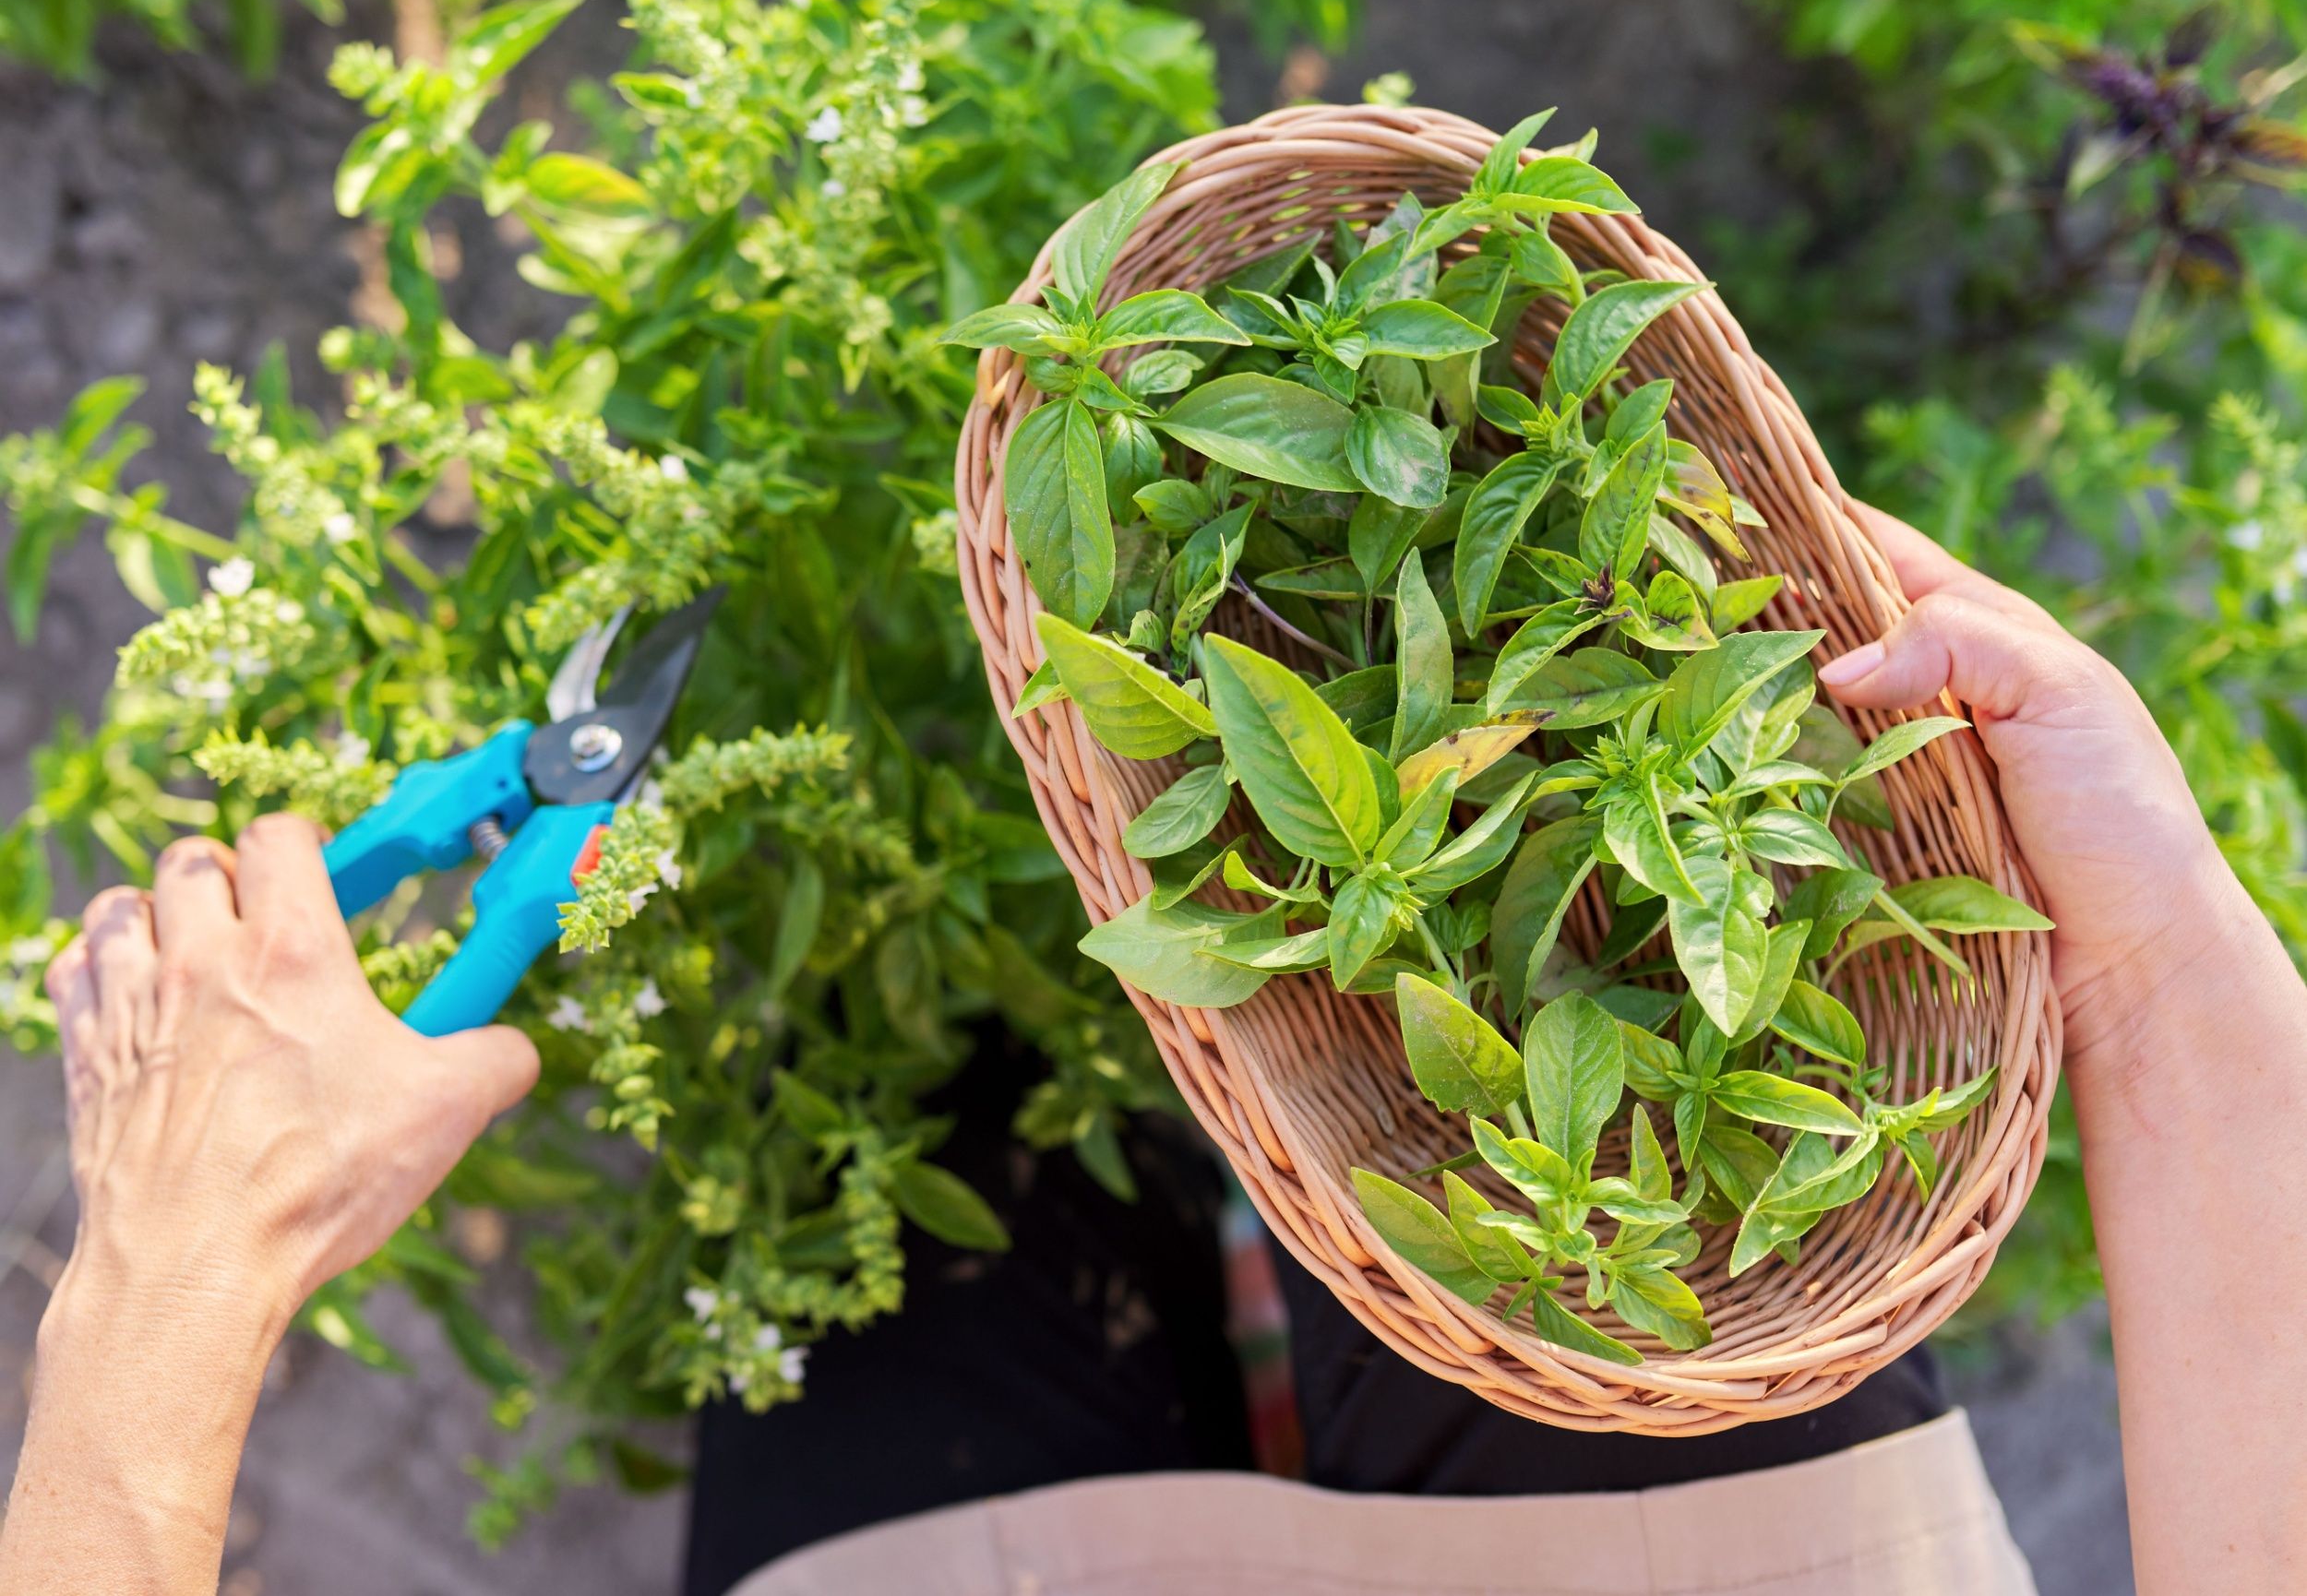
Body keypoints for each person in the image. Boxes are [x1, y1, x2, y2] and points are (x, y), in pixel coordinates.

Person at [5, 506, 2303, 1595]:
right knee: (1338, 1006)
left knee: (936, 1106)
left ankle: (953, 870)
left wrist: (173, 1274)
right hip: (1734, 1549)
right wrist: (2145, 960)